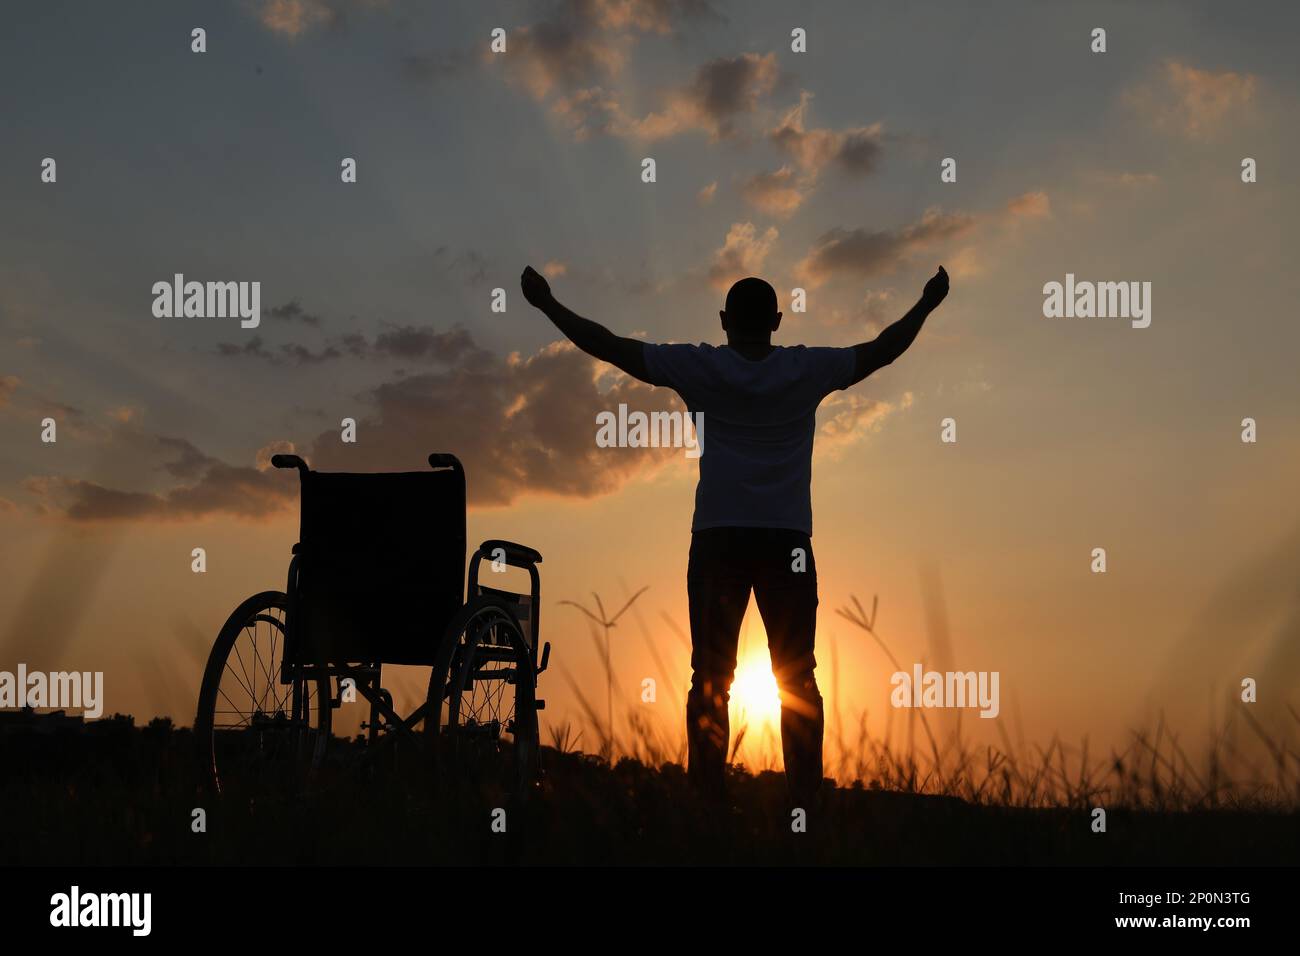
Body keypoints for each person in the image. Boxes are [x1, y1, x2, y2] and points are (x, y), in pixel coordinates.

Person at [521, 264, 950, 808]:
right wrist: (927, 302)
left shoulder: (700, 366)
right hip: (786, 542)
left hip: (720, 538)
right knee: (797, 677)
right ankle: (804, 809)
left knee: (710, 678)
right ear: (775, 320)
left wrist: (548, 304)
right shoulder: (806, 368)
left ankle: (706, 805)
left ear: (724, 321)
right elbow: (883, 349)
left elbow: (610, 346)